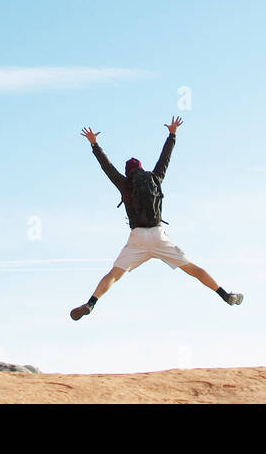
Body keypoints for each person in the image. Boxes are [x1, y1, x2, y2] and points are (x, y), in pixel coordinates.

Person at [70, 116, 242, 320]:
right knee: (193, 269)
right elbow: (165, 159)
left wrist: (94, 144)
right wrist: (172, 134)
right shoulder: (155, 178)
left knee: (114, 275)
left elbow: (107, 167)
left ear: (128, 173)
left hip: (137, 238)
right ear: (142, 168)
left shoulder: (124, 184)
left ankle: (91, 303)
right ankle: (225, 295)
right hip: (158, 235)